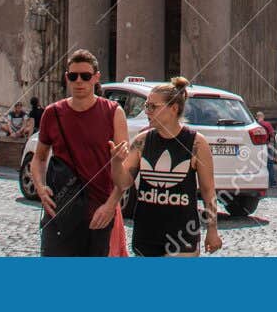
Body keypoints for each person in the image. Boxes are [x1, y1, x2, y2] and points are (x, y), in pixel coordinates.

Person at [34, 49, 129, 257]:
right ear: (67, 77)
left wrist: (111, 205)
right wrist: (40, 188)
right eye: (72, 76)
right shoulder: (52, 112)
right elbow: (39, 157)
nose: (79, 81)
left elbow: (124, 175)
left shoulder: (113, 111)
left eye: (85, 76)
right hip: (61, 209)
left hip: (98, 212)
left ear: (96, 77)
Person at [118, 77, 222, 256]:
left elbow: (208, 190)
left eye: (153, 107)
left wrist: (212, 230)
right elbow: (123, 183)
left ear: (174, 109)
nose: (148, 111)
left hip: (182, 237)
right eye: (146, 106)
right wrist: (115, 162)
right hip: (146, 235)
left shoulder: (196, 143)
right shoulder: (142, 141)